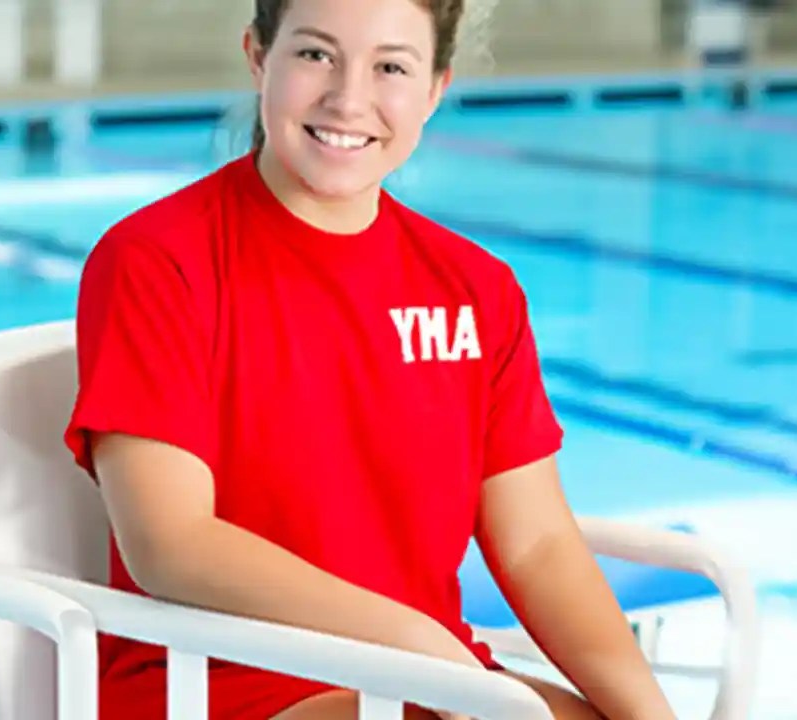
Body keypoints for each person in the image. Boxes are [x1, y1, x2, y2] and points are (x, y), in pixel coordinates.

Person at [63, 0, 677, 717]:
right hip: (220, 683)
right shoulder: (159, 262)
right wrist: (424, 648)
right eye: (315, 55)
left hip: (426, 681)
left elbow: (536, 544)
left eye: (390, 66)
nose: (348, 99)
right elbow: (171, 543)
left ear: (434, 89)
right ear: (259, 56)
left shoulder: (476, 291)